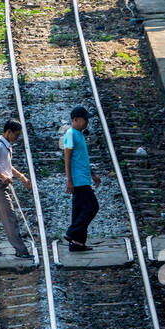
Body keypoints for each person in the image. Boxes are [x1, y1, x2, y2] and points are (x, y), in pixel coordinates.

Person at [0, 118, 32, 258]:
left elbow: (7, 166)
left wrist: (22, 177)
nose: (17, 137)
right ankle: (21, 251)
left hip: (1, 186)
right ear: (8, 132)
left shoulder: (6, 146)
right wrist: (2, 177)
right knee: (10, 218)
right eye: (16, 134)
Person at [61, 107, 102, 252]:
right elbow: (67, 158)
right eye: (85, 119)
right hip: (78, 180)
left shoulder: (79, 134)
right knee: (92, 207)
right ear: (75, 119)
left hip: (83, 177)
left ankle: (77, 243)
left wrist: (93, 174)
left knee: (79, 211)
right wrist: (69, 180)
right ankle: (72, 232)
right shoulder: (70, 134)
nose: (87, 122)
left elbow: (82, 159)